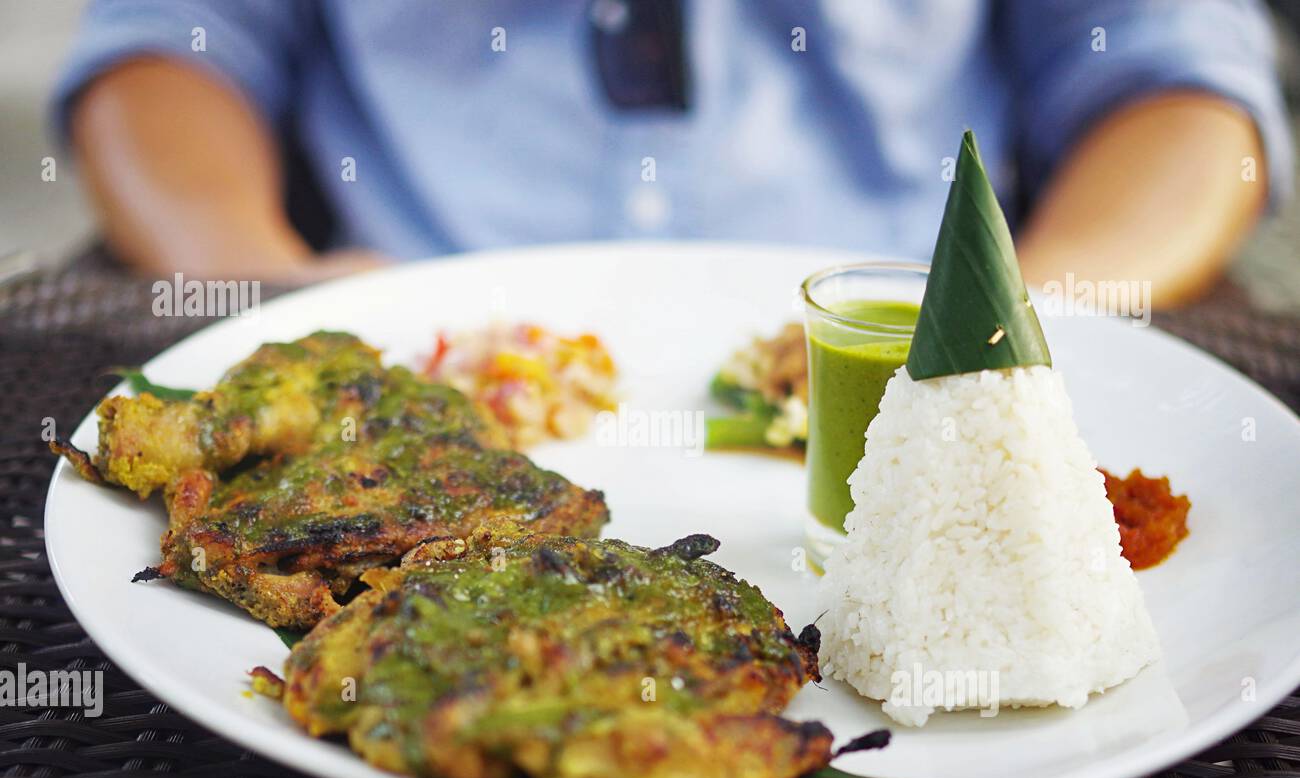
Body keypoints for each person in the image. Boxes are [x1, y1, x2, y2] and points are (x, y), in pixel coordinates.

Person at [55, 0, 1292, 307]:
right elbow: (173, 42)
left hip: (893, 333)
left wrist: (1022, 322)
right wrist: (257, 280)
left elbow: (1173, 76)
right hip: (409, 318)